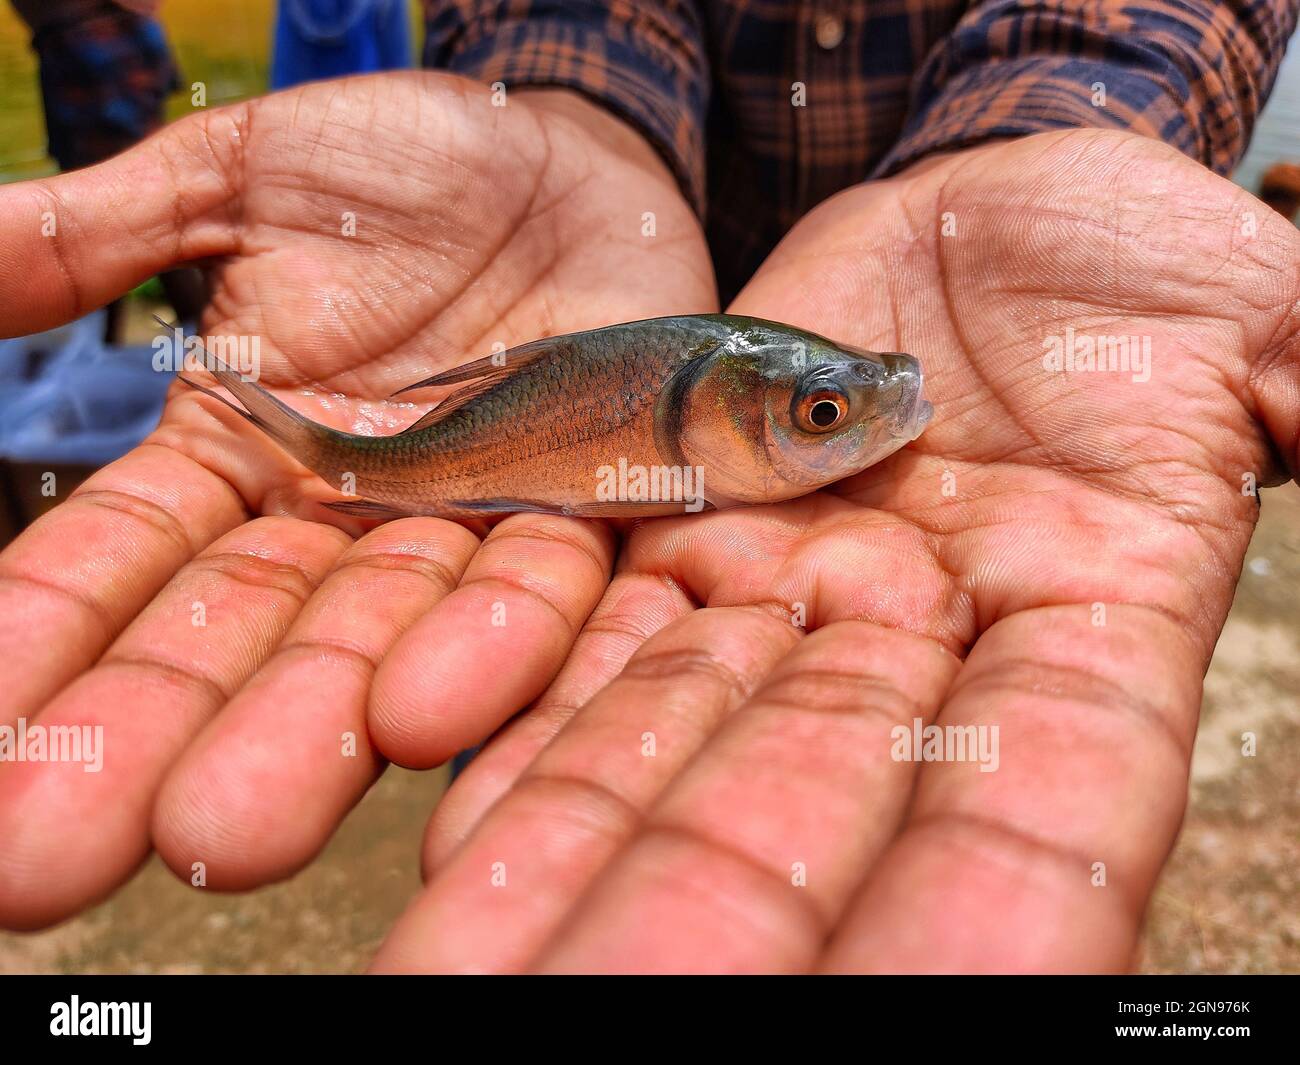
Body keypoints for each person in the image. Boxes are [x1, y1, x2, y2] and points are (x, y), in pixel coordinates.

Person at [0, 0, 1296, 974]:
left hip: (887, 258)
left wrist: (1059, 117)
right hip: (607, 439)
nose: (849, 428)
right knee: (546, 795)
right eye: (824, 417)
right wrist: (561, 101)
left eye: (825, 409)